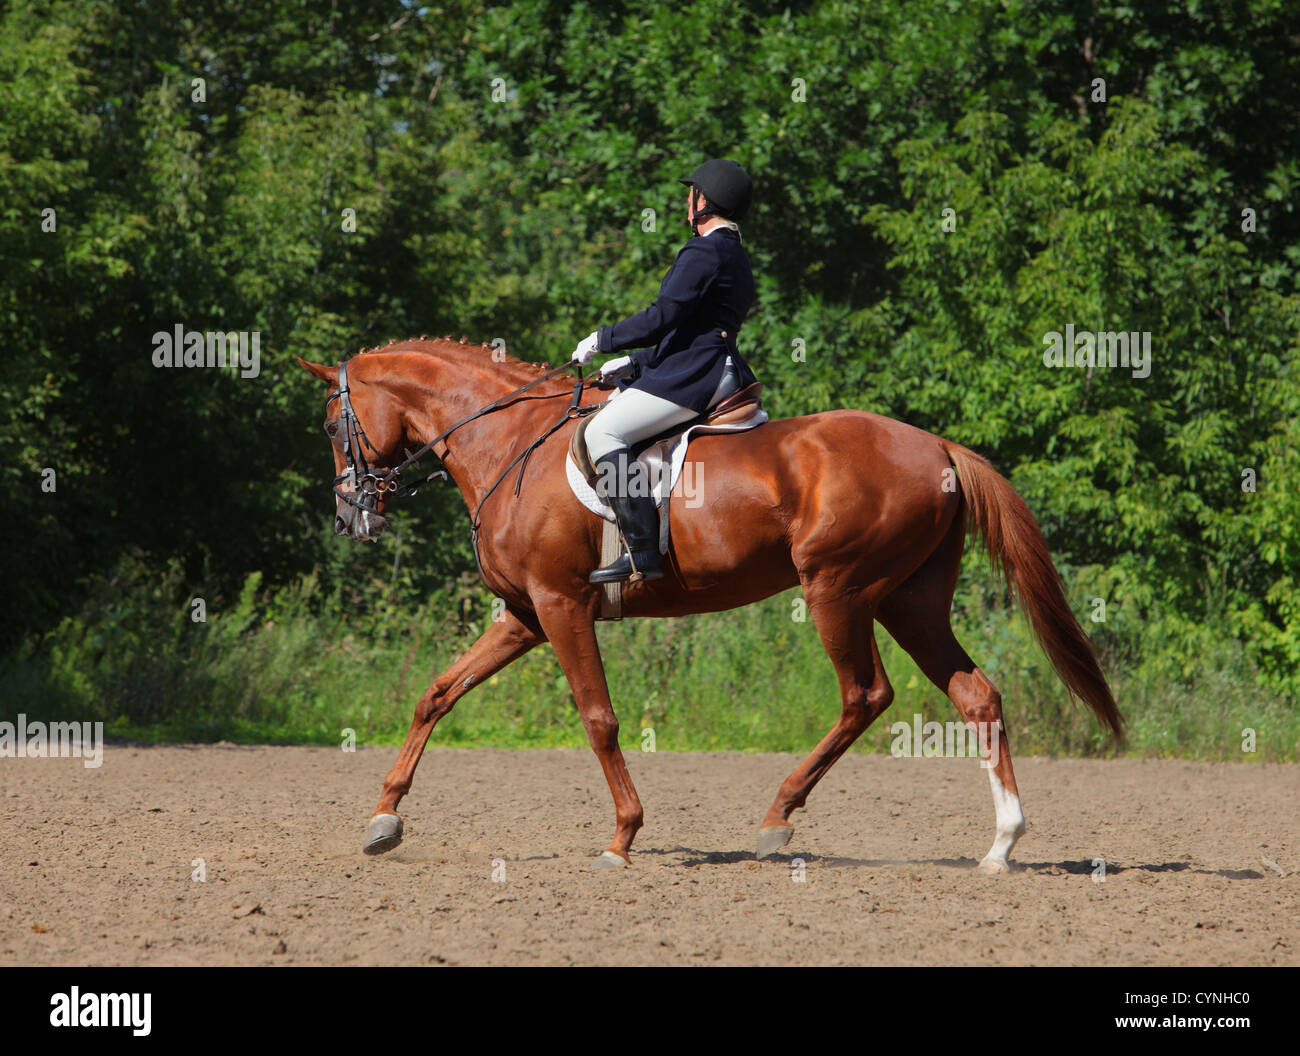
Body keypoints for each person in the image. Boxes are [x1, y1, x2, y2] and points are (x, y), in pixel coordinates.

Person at [571, 159, 759, 584]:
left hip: (698, 374)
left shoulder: (704, 250)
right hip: (710, 363)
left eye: (689, 195)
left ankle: (641, 552)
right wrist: (634, 363)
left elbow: (662, 316)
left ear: (703, 201)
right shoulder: (735, 254)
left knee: (603, 433)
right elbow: (696, 326)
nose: (684, 203)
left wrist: (603, 339)